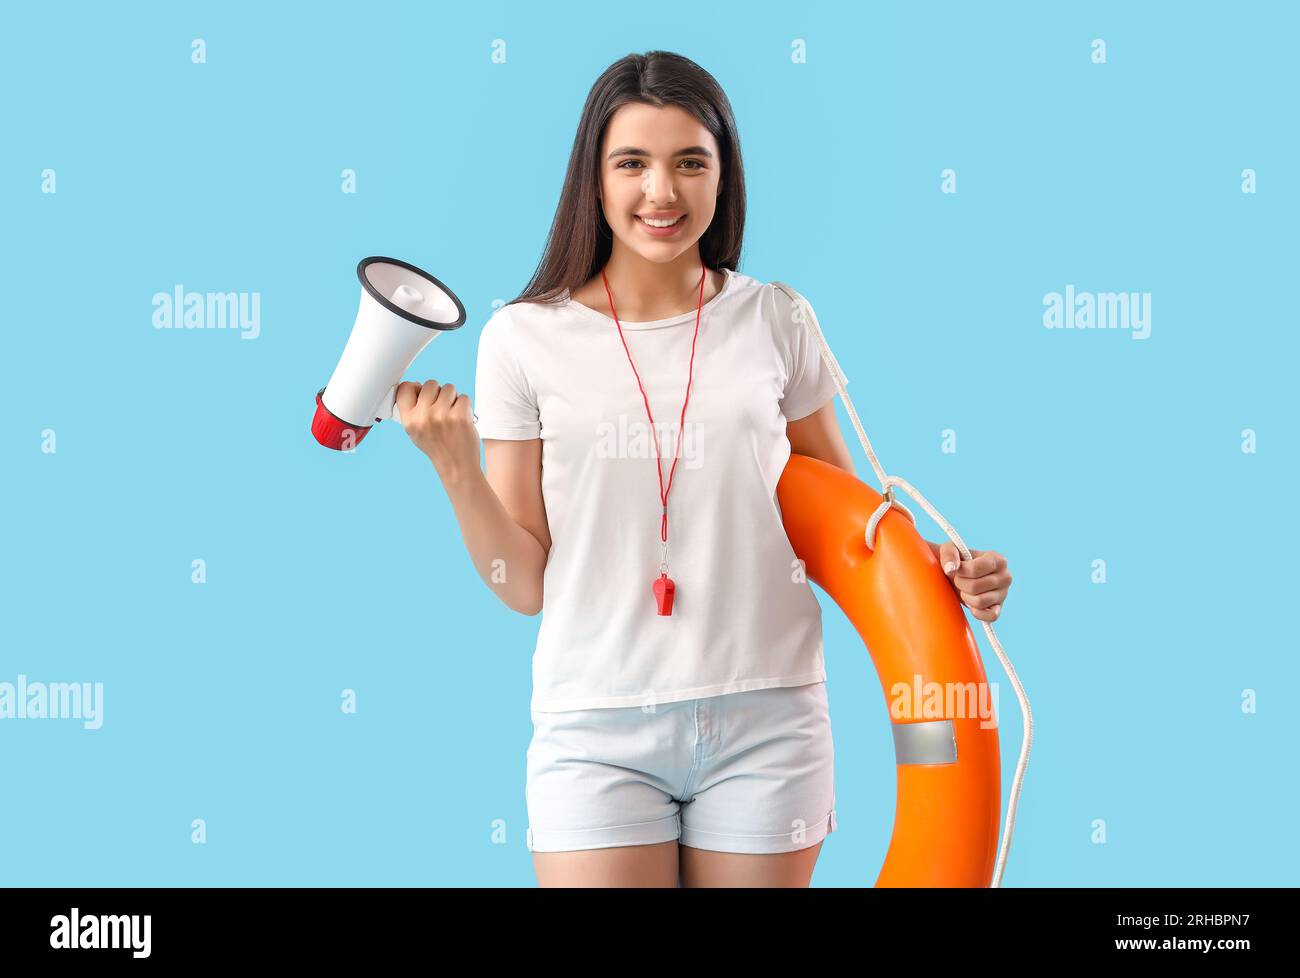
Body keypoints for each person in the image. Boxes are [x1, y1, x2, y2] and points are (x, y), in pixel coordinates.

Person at [394, 51, 1013, 888]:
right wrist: (456, 466)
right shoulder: (521, 339)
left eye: (691, 162)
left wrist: (937, 570)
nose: (663, 192)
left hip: (768, 719)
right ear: (595, 178)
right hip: (595, 725)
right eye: (633, 164)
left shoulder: (776, 319)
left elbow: (842, 526)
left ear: (724, 176)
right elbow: (523, 584)